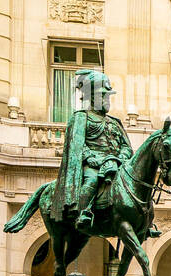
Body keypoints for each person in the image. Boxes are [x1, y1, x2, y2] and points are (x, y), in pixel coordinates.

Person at [48, 70, 161, 236]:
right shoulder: (81, 118)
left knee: (134, 185)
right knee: (92, 180)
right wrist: (89, 157)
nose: (107, 99)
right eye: (104, 96)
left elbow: (126, 147)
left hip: (114, 162)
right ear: (92, 97)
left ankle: (144, 223)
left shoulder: (114, 122)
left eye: (107, 96)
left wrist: (119, 158)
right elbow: (76, 143)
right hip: (92, 164)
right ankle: (83, 212)